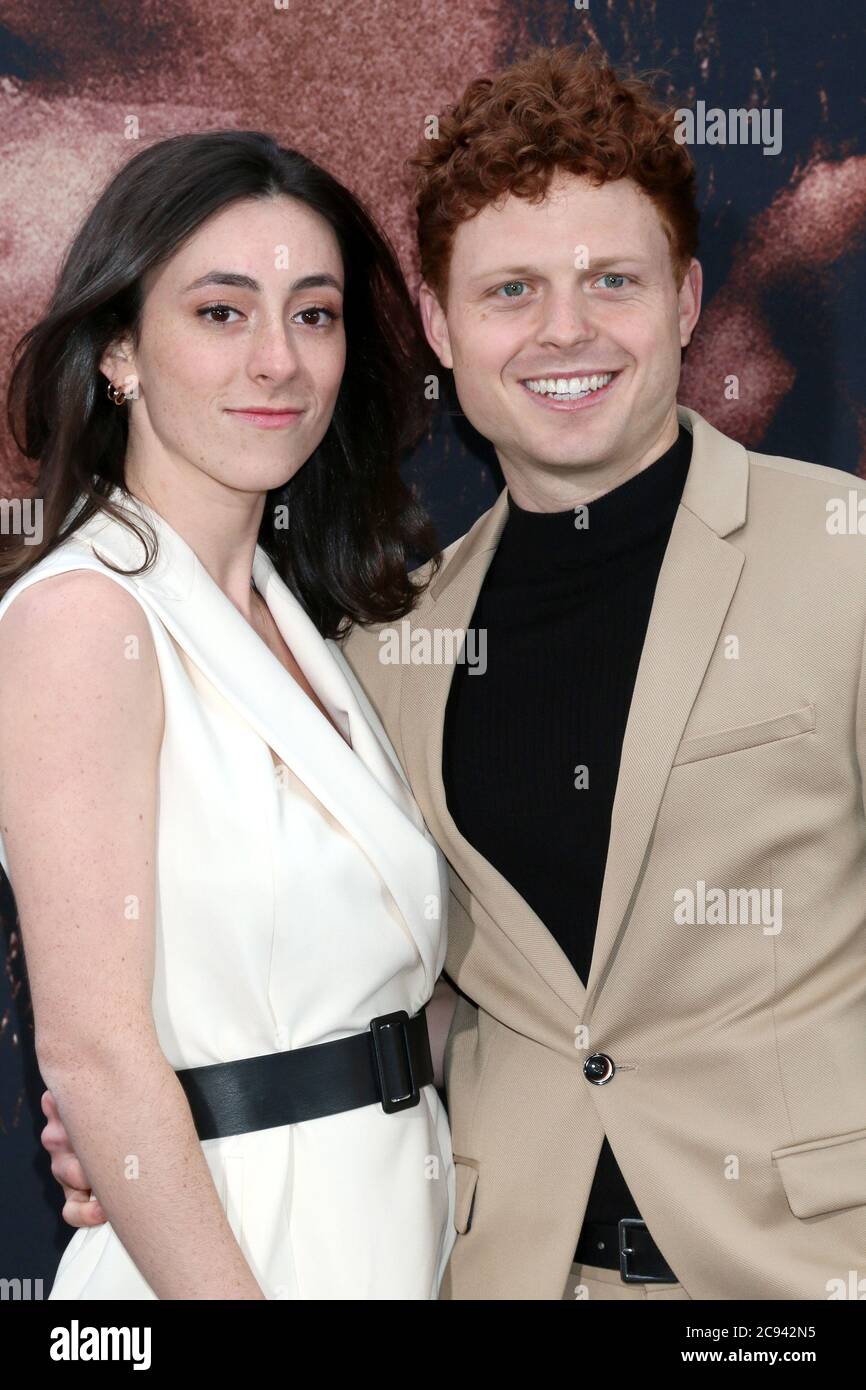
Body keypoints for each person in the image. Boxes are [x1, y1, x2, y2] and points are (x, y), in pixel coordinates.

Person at [44, 46, 866, 1302]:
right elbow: (448, 988)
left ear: (688, 298)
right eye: (510, 291)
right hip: (491, 1272)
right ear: (437, 325)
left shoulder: (839, 555)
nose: (564, 331)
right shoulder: (389, 645)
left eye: (610, 281)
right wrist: (158, 1117)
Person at [3, 129, 459, 1299]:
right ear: (120, 350)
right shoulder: (80, 618)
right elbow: (94, 1051)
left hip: (375, 1233)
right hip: (224, 1262)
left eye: (313, 314)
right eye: (220, 312)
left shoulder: (302, 630)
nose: (279, 361)